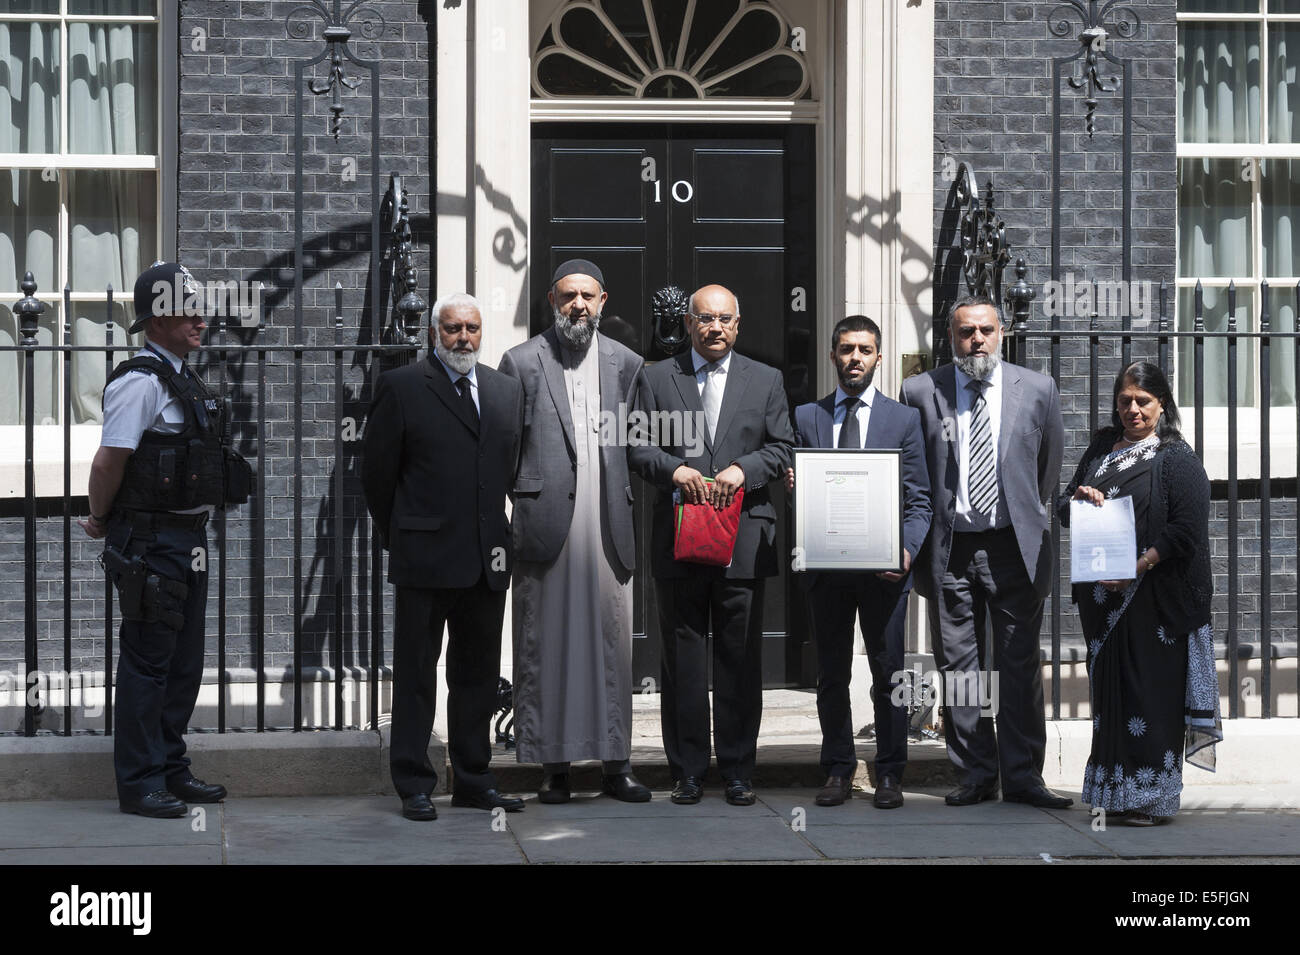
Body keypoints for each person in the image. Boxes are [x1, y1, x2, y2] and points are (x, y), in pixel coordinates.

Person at [81, 261, 248, 818]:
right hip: (151, 541)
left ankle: (171, 769)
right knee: (148, 663)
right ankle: (139, 782)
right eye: (187, 307)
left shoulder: (183, 375)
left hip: (188, 539)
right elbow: (110, 461)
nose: (201, 317)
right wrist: (99, 519)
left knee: (183, 664)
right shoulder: (139, 382)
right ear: (156, 318)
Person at [899, 293, 1070, 808]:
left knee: (1019, 663)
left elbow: (1047, 469)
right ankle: (975, 773)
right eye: (965, 332)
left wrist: (1021, 516)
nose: (976, 340)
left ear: (1002, 333)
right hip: (950, 549)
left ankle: (1023, 777)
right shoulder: (920, 391)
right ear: (951, 339)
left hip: (1013, 546)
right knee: (958, 665)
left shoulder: (1037, 389)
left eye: (986, 331)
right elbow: (912, 471)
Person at [362, 293, 526, 821]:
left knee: (476, 675)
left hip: (486, 559)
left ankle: (475, 779)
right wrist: (403, 535)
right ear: (435, 332)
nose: (463, 338)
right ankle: (413, 782)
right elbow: (376, 478)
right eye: (453, 328)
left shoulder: (504, 391)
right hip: (423, 557)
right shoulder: (403, 386)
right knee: (416, 674)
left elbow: (507, 468)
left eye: (472, 329)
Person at [630, 284, 794, 806]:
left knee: (740, 658)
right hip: (678, 538)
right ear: (689, 323)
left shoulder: (766, 380)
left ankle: (739, 769)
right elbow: (635, 444)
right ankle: (688, 770)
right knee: (682, 658)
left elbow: (783, 447)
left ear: (738, 325)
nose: (715, 327)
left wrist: (743, 470)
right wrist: (675, 469)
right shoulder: (657, 378)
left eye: (725, 319)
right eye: (705, 319)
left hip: (743, 537)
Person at [497, 259, 652, 804]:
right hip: (546, 523)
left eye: (588, 296)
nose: (578, 306)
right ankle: (553, 767)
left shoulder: (629, 364)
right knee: (544, 643)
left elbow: (642, 444)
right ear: (551, 299)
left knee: (611, 643)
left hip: (607, 519)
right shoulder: (519, 362)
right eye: (568, 296)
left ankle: (617, 764)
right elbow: (505, 449)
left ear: (604, 300)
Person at [1061, 362, 1220, 826]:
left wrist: (1139, 565)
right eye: (1125, 400)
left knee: (1148, 695)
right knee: (1112, 699)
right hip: (1102, 600)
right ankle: (1113, 792)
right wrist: (1082, 498)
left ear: (1161, 404)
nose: (1132, 409)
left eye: (1143, 401)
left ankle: (1150, 798)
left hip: (1153, 602)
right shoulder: (1100, 447)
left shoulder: (1176, 458)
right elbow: (1066, 505)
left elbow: (1186, 531)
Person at [785, 315, 931, 808]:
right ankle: (838, 769)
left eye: (864, 350)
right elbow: (804, 502)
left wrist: (907, 552)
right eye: (846, 349)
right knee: (831, 674)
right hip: (827, 570)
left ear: (878, 357)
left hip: (884, 572)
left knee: (889, 674)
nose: (854, 358)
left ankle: (889, 772)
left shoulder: (903, 420)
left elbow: (919, 501)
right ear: (832, 356)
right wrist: (796, 493)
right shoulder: (808, 417)